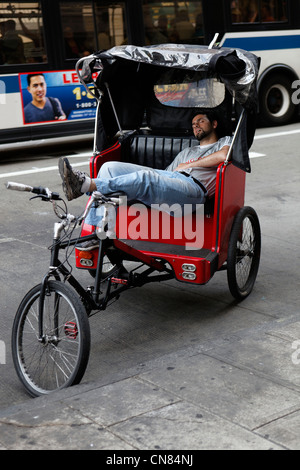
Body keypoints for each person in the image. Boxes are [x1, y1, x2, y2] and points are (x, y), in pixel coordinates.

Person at [59, 112, 231, 235]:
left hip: (195, 191)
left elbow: (223, 156)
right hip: (173, 180)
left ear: (214, 124)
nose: (196, 126)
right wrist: (180, 166)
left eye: (201, 121)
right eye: (193, 124)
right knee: (109, 168)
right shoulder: (187, 151)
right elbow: (166, 177)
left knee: (146, 179)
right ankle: (94, 234)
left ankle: (85, 185)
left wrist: (192, 164)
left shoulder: (224, 141)